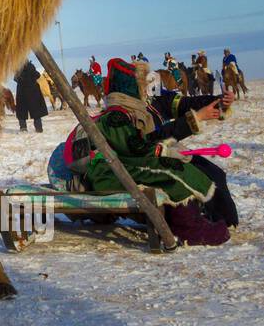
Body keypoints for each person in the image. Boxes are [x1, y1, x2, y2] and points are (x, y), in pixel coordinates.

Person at [79, 59, 236, 245]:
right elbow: (144, 142)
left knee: (213, 172)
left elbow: (188, 103)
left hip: (158, 153)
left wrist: (219, 101)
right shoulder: (122, 113)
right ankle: (191, 224)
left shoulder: (156, 103)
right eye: (143, 82)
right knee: (179, 172)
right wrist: (195, 119)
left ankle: (223, 220)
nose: (147, 85)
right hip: (147, 156)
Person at [14, 60, 48, 133]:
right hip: (33, 92)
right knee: (36, 111)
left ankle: (23, 128)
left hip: (22, 92)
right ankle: (39, 128)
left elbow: (15, 79)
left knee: (21, 110)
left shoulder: (18, 68)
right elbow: (37, 75)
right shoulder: (31, 66)